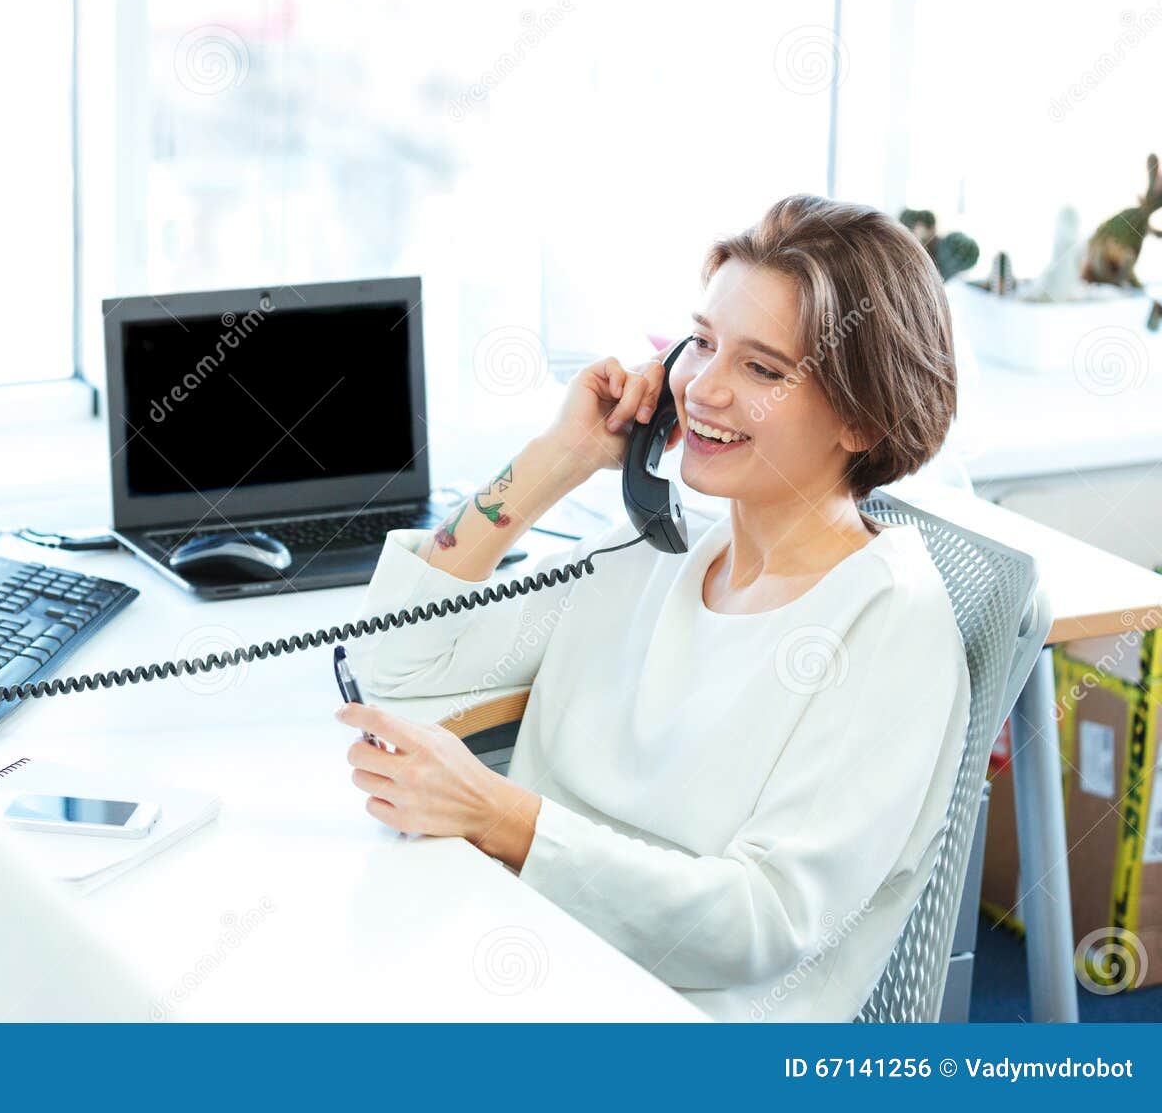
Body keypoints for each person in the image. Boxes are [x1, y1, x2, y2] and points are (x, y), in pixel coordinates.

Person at [338, 195, 970, 1021]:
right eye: (701, 343)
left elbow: (762, 920)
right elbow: (394, 662)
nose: (702, 388)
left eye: (762, 369)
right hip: (517, 956)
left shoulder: (890, 626)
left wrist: (500, 817)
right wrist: (561, 456)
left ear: (861, 417)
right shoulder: (657, 548)